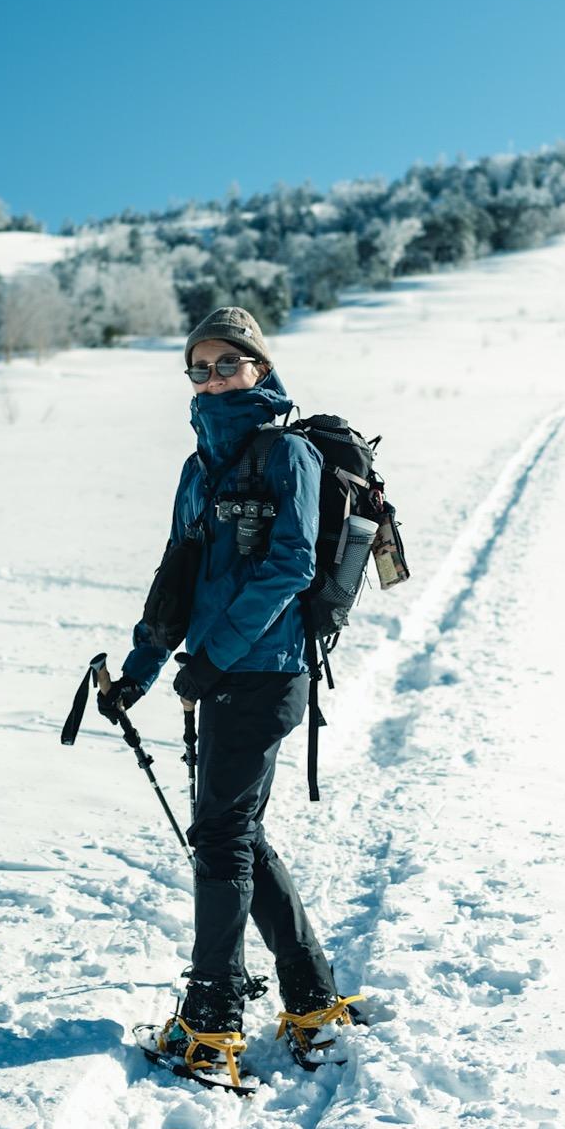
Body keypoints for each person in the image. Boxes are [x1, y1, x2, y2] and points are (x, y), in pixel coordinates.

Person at [98, 306, 351, 1080]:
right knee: (236, 832)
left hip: (267, 672)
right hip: (222, 674)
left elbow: (291, 567)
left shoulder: (287, 454)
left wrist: (211, 658)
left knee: (221, 838)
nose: (213, 379)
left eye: (228, 365)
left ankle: (211, 1023)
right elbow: (177, 575)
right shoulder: (198, 466)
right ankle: (310, 998)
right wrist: (140, 673)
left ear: (261, 370)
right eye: (199, 368)